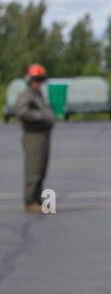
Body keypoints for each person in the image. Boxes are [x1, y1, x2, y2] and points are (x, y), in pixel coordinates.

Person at [15, 63, 55, 214]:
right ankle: (30, 201)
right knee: (34, 169)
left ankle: (38, 198)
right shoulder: (26, 95)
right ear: (30, 80)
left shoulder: (38, 94)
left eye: (41, 79)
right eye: (37, 80)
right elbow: (22, 113)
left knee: (41, 168)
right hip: (33, 136)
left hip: (43, 135)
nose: (39, 83)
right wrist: (41, 116)